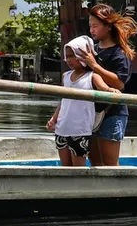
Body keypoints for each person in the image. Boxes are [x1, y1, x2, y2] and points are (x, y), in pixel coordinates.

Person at [81, 3, 137, 167]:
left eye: (95, 26)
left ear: (108, 27)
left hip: (112, 112)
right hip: (91, 111)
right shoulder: (92, 50)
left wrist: (94, 66)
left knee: (109, 163)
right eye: (90, 26)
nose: (92, 30)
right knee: (94, 161)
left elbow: (119, 83)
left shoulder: (119, 52)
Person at [46, 36, 112, 166]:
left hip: (80, 130)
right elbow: (63, 101)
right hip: (62, 128)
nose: (69, 60)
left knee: (78, 168)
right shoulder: (66, 76)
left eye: (73, 56)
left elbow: (105, 89)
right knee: (65, 166)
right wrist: (54, 119)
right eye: (67, 56)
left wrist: (112, 91)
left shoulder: (92, 77)